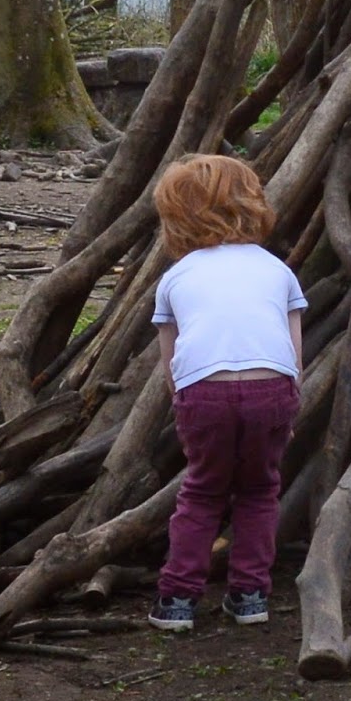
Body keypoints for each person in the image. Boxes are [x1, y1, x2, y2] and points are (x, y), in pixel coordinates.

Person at [146, 154, 306, 633]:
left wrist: (185, 408)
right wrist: (286, 407)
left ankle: (177, 599)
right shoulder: (277, 270)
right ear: (252, 202)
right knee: (260, 490)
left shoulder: (176, 277)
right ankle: (250, 594)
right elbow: (295, 353)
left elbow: (171, 360)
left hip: (204, 392)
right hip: (271, 387)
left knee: (201, 490)